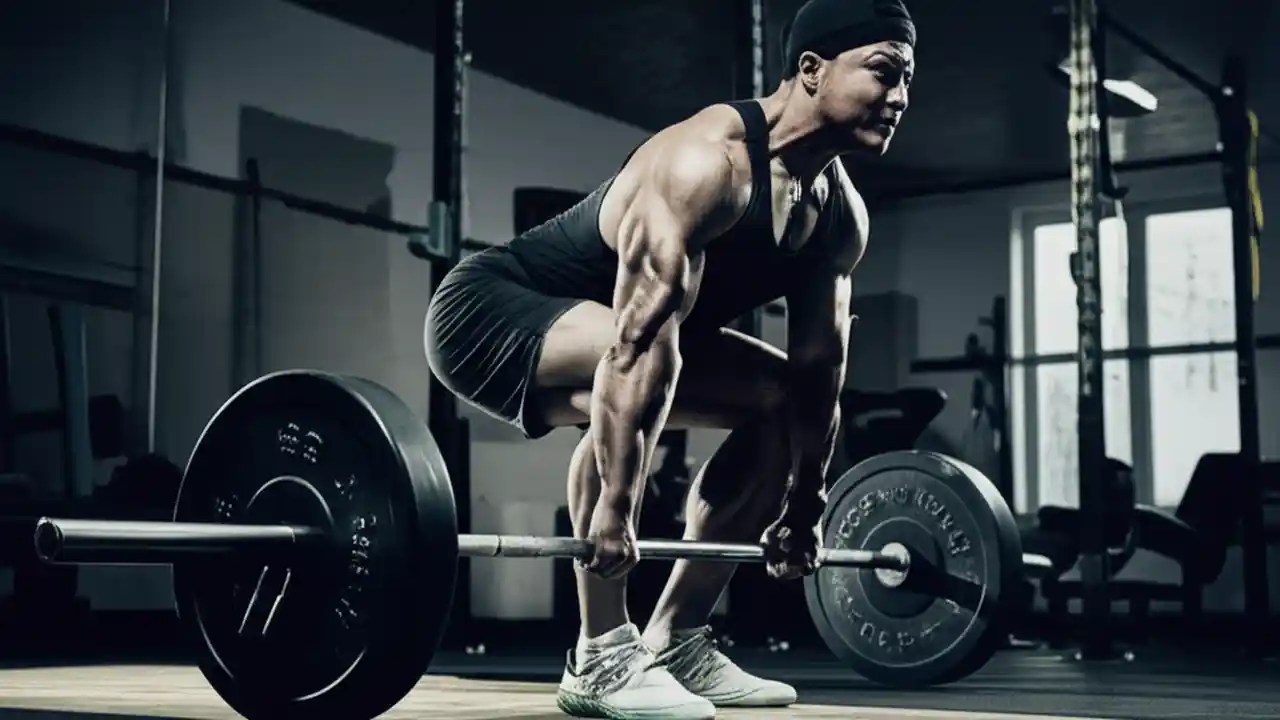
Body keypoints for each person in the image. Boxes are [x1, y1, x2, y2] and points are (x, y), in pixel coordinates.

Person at [425, 0, 915, 716]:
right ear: (812, 70)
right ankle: (599, 653)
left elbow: (817, 375)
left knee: (780, 402)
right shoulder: (705, 163)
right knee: (636, 369)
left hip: (637, 344)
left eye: (908, 81)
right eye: (884, 72)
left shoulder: (838, 217)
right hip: (488, 312)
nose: (900, 98)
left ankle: (676, 638)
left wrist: (806, 505)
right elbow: (635, 345)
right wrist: (617, 510)